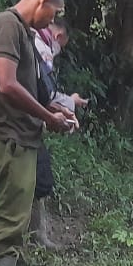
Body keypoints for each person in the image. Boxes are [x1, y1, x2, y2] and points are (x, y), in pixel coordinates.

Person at [0, 0, 75, 266]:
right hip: (10, 139)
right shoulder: (8, 25)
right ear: (41, 0)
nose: (52, 21)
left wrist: (51, 110)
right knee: (9, 219)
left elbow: (25, 90)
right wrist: (48, 119)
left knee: (17, 217)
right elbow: (7, 84)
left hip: (23, 138)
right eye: (54, 12)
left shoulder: (24, 32)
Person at [30, 20, 87, 252]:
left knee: (39, 180)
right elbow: (43, 92)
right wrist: (67, 104)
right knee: (38, 181)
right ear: (60, 35)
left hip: (31, 123)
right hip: (22, 126)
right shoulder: (40, 47)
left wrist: (60, 109)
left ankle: (35, 236)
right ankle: (30, 240)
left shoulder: (32, 40)